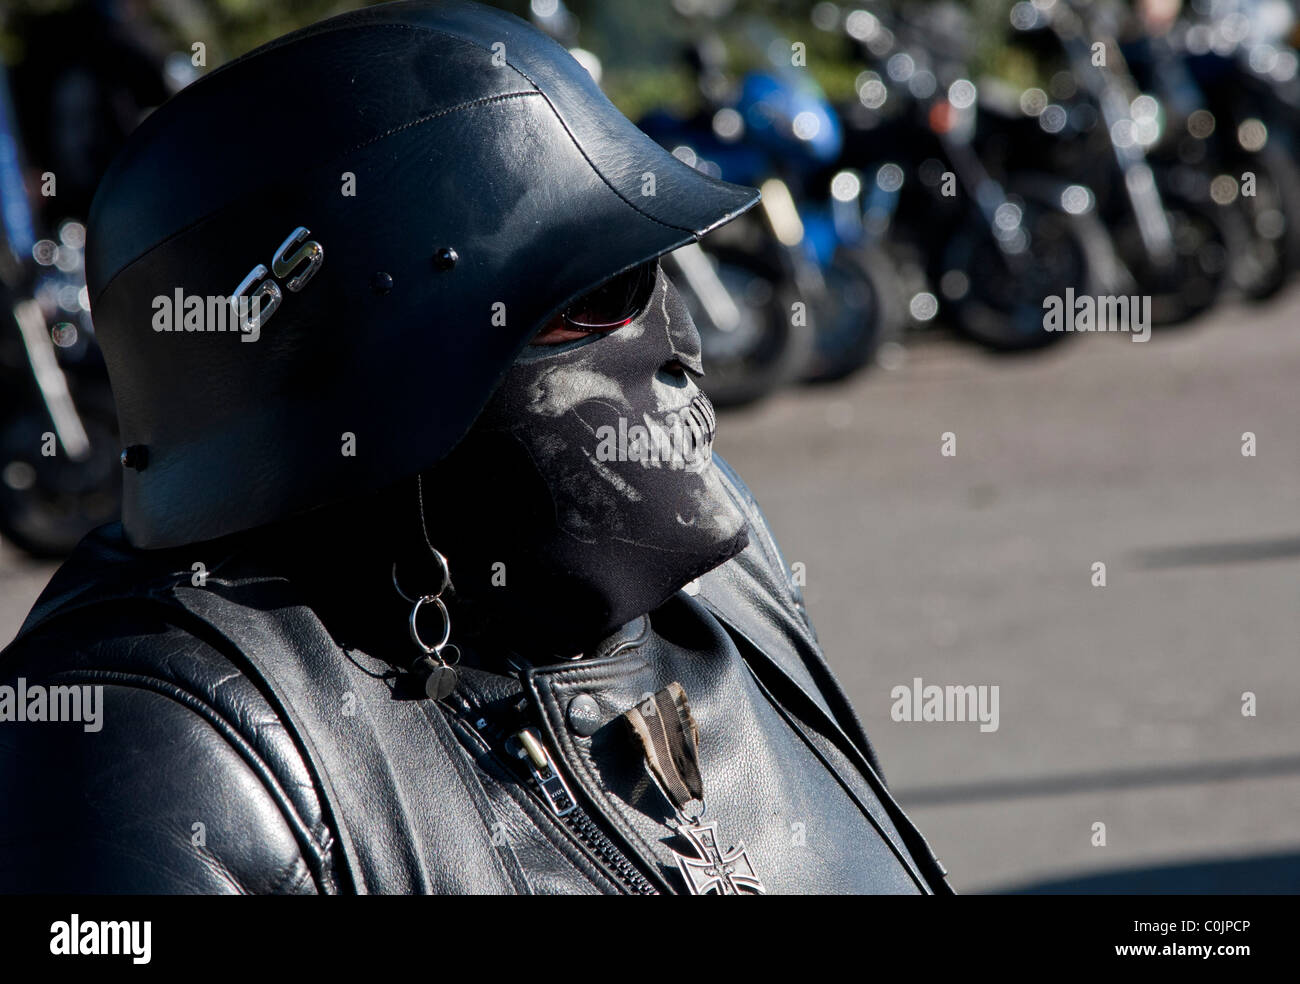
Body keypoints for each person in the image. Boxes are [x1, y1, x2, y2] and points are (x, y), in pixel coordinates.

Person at [0, 0, 951, 895]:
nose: (681, 347)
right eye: (598, 296)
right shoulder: (154, 745)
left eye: (658, 270)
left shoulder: (722, 579)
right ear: (369, 388)